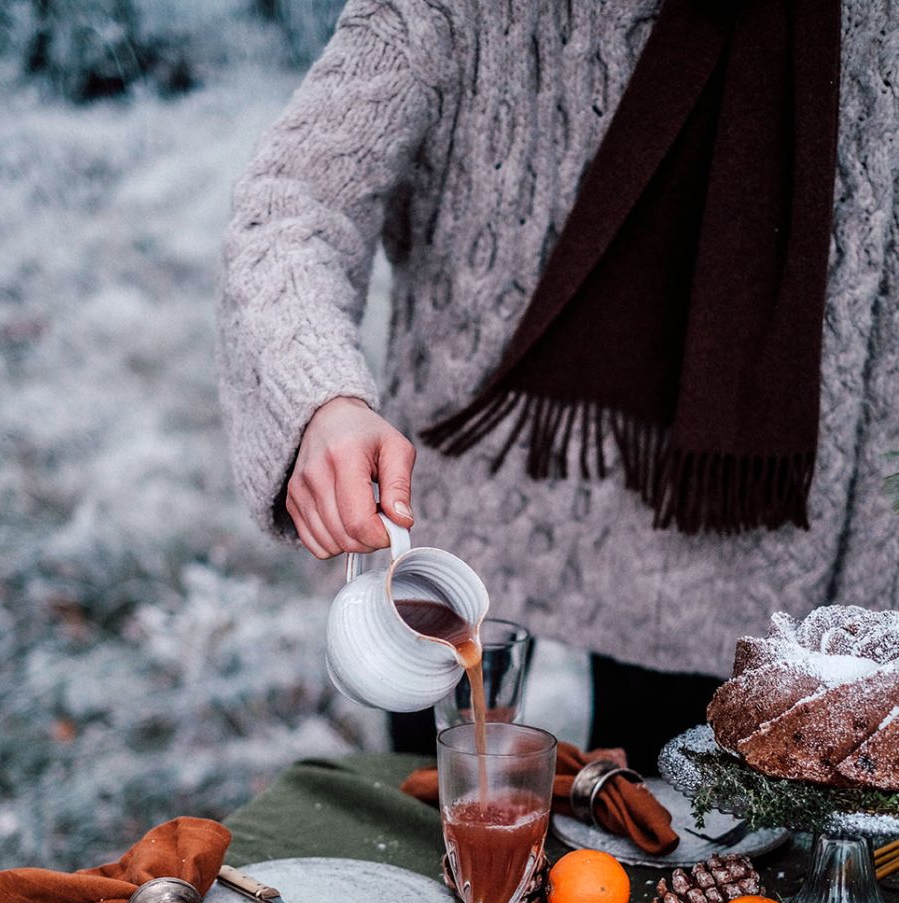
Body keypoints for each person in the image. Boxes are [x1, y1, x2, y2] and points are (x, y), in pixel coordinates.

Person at [218, 0, 898, 770]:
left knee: (666, 811)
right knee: (424, 794)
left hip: (728, 528)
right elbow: (290, 205)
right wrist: (324, 401)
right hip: (460, 492)